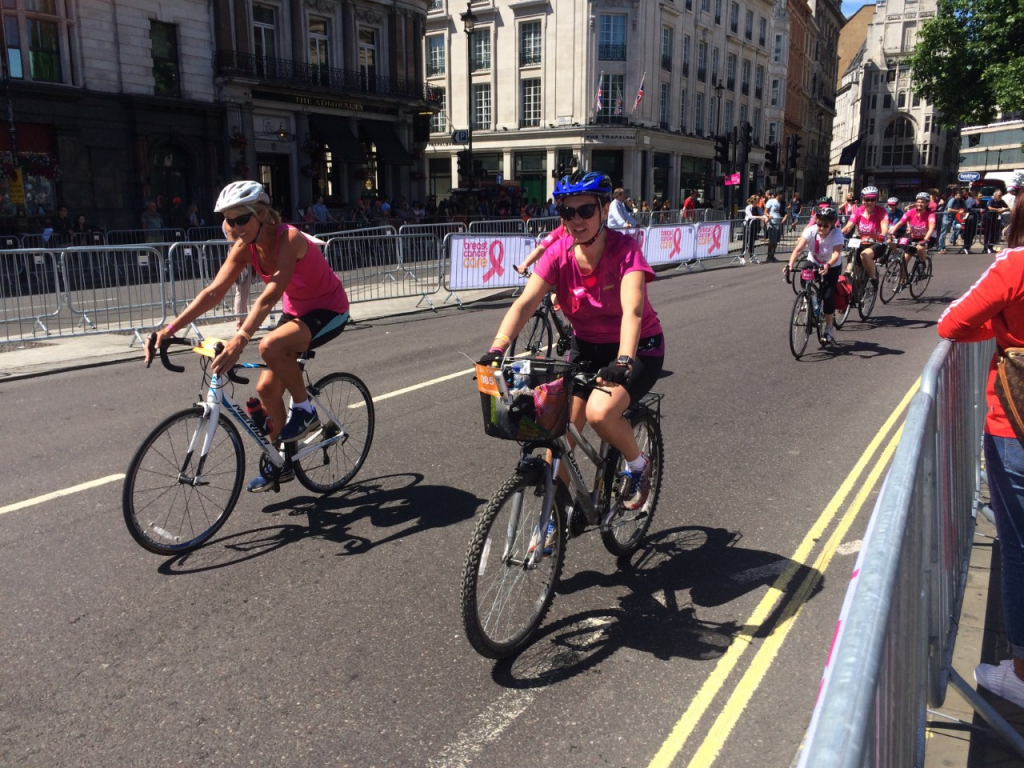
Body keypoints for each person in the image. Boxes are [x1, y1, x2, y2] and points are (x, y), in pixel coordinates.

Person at [145, 181, 351, 492]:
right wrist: (169, 329)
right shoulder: (244, 247)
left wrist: (240, 340)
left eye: (242, 218)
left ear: (262, 214)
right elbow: (214, 291)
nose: (234, 226)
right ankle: (283, 462)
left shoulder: (289, 238)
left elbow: (268, 297)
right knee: (266, 388)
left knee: (269, 345)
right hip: (297, 311)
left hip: (330, 309)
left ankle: (306, 410)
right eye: (229, 220)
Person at [482, 170, 664, 509]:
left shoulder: (625, 251)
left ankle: (638, 464)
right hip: (587, 348)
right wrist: (498, 348)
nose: (575, 220)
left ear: (604, 209)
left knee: (599, 413)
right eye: (567, 212)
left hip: (638, 348)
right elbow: (525, 303)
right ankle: (554, 517)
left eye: (585, 211)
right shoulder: (558, 253)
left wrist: (623, 360)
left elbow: (633, 312)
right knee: (560, 433)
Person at [937, 200, 1024, 709]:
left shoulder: (1015, 264)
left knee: (1018, 546)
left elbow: (952, 323)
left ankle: (1019, 672)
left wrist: (1001, 329)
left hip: (1015, 426)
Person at [784, 205, 845, 346]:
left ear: (832, 226)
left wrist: (828, 265)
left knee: (828, 296)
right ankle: (807, 297)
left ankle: (829, 329)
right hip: (814, 260)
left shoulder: (837, 234)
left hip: (832, 265)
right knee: (804, 272)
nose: (821, 228)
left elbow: (836, 254)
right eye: (819, 224)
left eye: (825, 226)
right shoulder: (811, 231)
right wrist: (790, 265)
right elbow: (798, 249)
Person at [841, 186, 888, 288]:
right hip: (862, 242)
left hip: (877, 243)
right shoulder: (858, 210)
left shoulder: (882, 211)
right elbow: (849, 226)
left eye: (872, 199)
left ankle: (873, 278)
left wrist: (882, 235)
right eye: (867, 199)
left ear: (876, 200)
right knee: (852, 256)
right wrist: (839, 233)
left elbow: (884, 227)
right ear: (863, 199)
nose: (869, 202)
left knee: (864, 255)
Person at [890, 192, 936, 289]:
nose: (920, 204)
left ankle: (922, 262)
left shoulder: (930, 214)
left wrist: (925, 240)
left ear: (927, 203)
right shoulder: (911, 212)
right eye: (918, 202)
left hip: (928, 237)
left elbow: (931, 228)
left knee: (920, 247)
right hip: (914, 237)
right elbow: (900, 223)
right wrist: (891, 232)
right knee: (904, 260)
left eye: (922, 202)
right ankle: (902, 282)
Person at [764, 191, 787, 263]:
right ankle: (769, 256)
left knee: (776, 241)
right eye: (782, 195)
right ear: (778, 195)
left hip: (778, 222)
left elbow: (785, 213)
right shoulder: (771, 201)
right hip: (772, 223)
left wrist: (785, 218)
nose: (783, 197)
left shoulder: (782, 203)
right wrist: (768, 216)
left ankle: (772, 256)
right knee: (772, 241)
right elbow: (765, 211)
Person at [984, 189, 1009, 254]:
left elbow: (1008, 207)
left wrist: (1003, 210)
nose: (1000, 196)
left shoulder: (1001, 201)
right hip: (988, 218)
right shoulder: (991, 200)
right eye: (999, 195)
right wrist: (998, 209)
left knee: (994, 233)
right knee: (987, 233)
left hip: (995, 218)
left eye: (1001, 195)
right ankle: (985, 247)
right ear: (995, 195)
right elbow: (989, 207)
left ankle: (991, 246)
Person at [741, 194, 763, 264]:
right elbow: (750, 216)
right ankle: (742, 257)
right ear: (753, 200)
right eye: (757, 199)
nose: (758, 200)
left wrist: (767, 217)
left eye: (759, 199)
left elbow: (762, 214)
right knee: (745, 241)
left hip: (754, 226)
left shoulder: (758, 208)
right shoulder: (748, 207)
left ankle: (751, 256)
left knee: (752, 241)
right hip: (747, 225)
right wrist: (760, 217)